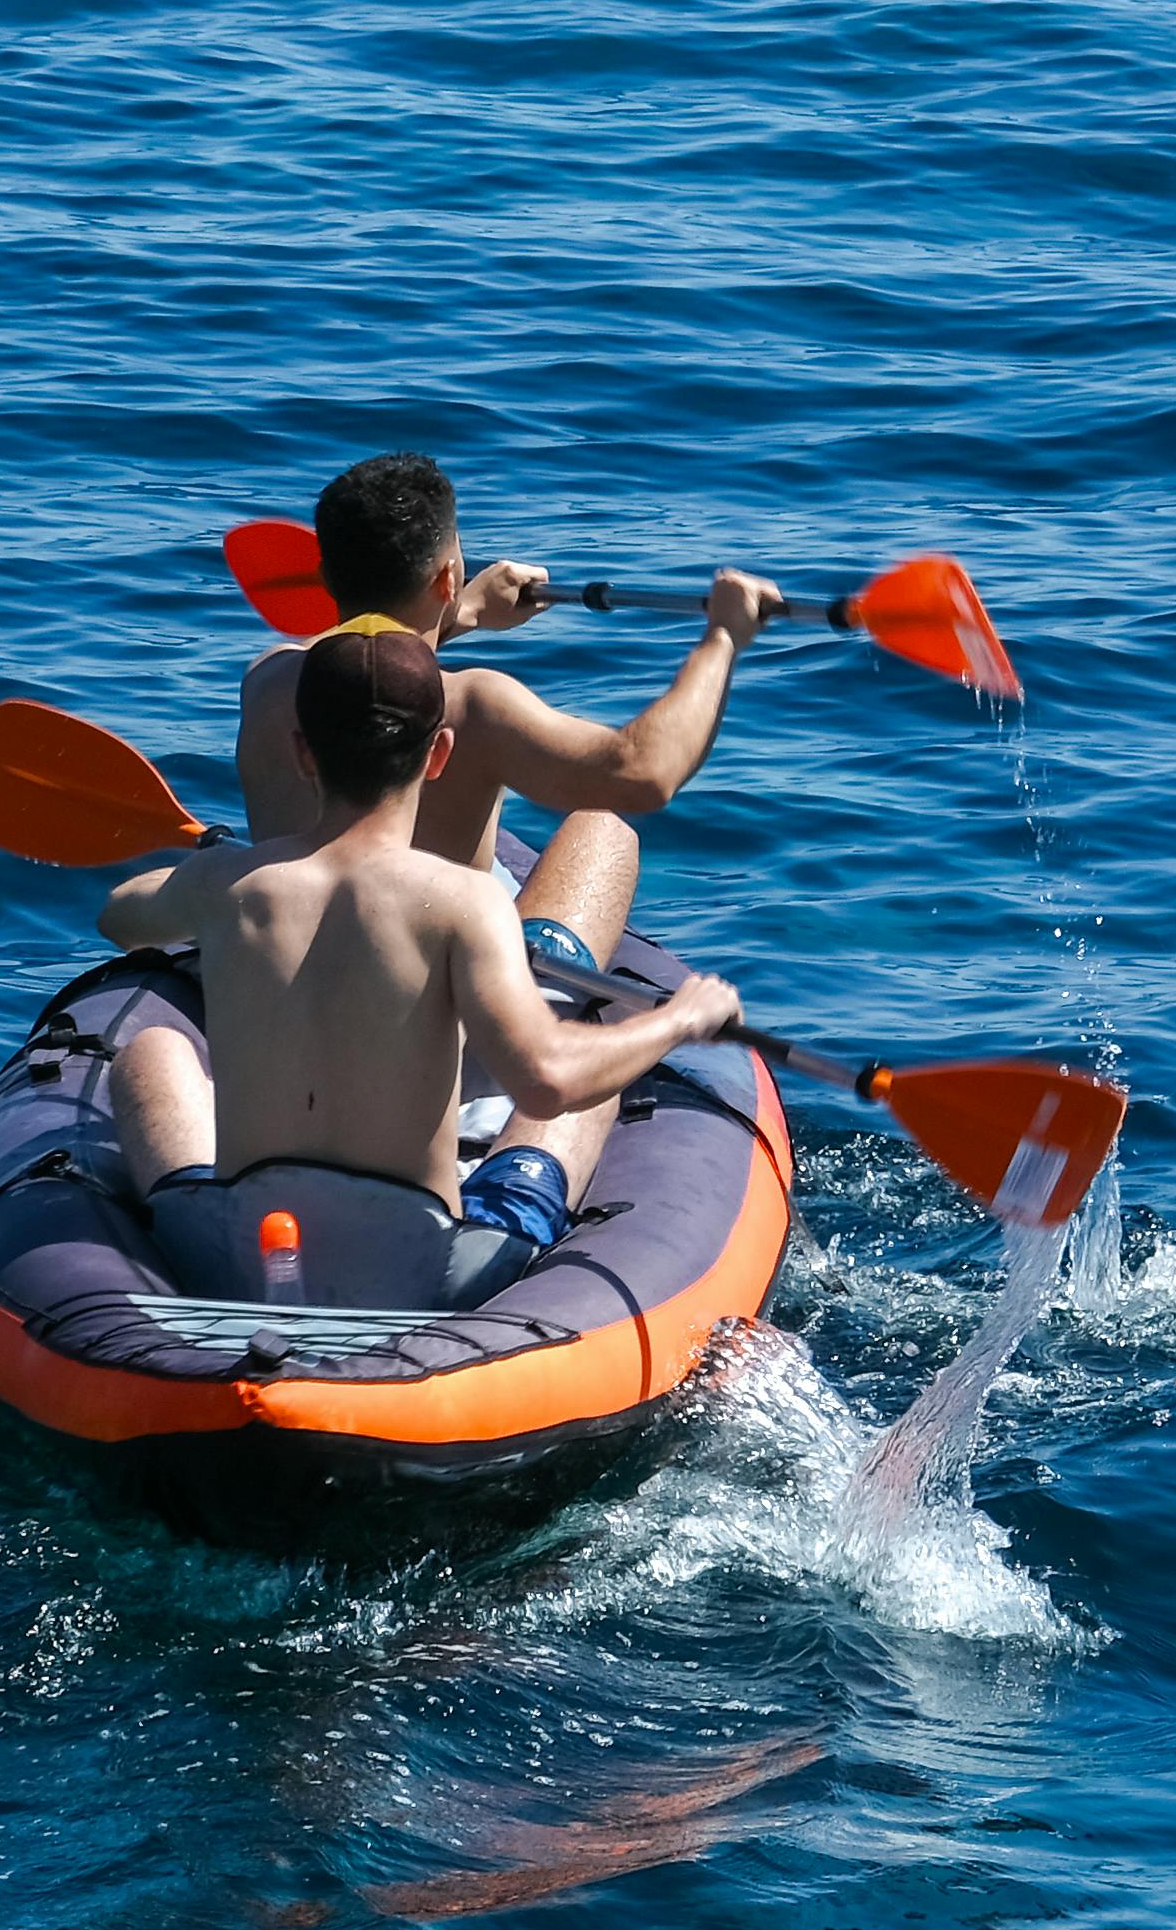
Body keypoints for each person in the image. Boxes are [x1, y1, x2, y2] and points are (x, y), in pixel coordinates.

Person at [97, 627, 740, 1311]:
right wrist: (676, 1020)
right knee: (589, 1079)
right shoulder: (464, 901)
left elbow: (119, 915)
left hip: (238, 1245)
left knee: (153, 1048)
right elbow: (547, 1079)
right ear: (438, 755)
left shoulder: (226, 884)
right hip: (420, 1267)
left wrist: (215, 870)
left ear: (301, 752)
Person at [252, 450, 785, 874]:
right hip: (426, 975)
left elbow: (363, 662)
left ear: (324, 579)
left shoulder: (268, 680)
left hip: (282, 951)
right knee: (603, 835)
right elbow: (641, 775)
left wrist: (466, 613)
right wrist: (722, 638)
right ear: (447, 577)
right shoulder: (473, 707)